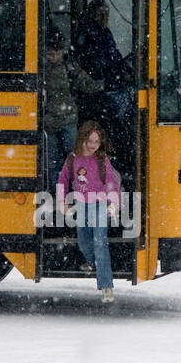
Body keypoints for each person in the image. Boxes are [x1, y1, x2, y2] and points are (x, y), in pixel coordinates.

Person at [56, 120, 120, 303]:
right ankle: (96, 265)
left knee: (100, 243)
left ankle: (106, 286)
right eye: (90, 141)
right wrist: (62, 201)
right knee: (84, 243)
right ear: (82, 139)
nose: (93, 145)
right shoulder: (73, 159)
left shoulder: (102, 160)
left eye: (97, 142)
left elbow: (111, 183)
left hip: (100, 205)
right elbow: (63, 179)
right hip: (82, 205)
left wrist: (112, 203)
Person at [71, 0, 135, 167]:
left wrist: (125, 69)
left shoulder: (103, 32)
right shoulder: (88, 34)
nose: (104, 17)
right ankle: (120, 163)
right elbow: (98, 64)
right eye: (101, 14)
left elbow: (114, 56)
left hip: (107, 89)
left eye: (107, 14)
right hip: (97, 94)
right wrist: (116, 74)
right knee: (117, 129)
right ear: (92, 14)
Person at [43, 27, 102, 188]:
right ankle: (62, 192)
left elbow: (86, 83)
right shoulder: (44, 69)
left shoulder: (67, 67)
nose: (52, 56)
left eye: (55, 52)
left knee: (70, 160)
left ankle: (73, 190)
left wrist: (100, 85)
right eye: (49, 52)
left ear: (62, 51)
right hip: (53, 122)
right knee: (57, 162)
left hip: (64, 121)